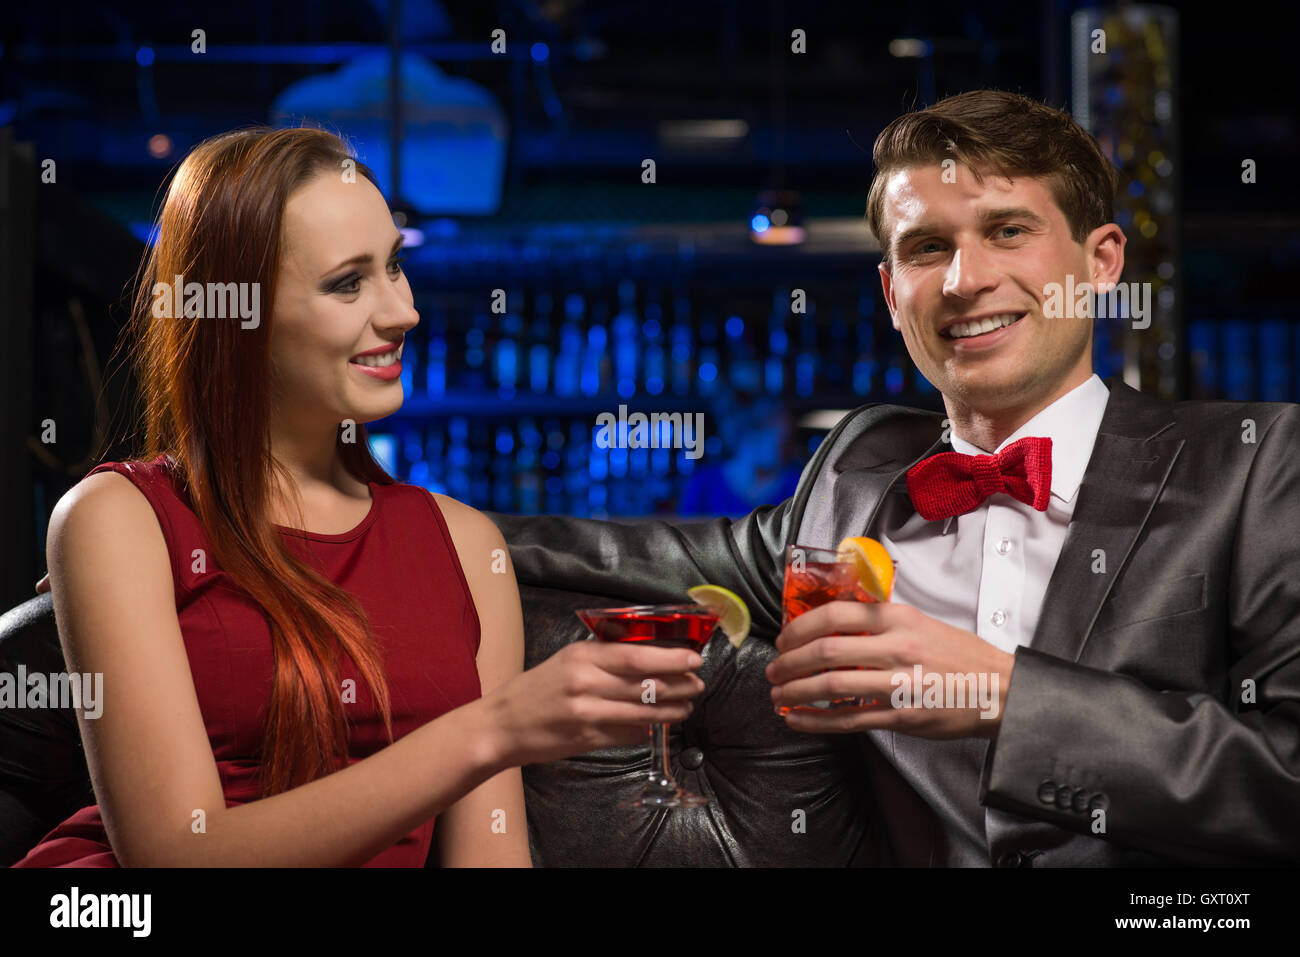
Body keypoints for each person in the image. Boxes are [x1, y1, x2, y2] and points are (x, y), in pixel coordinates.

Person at [492, 90, 1300, 866]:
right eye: (927, 248)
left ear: (1100, 262)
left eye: (1008, 230)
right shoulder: (855, 478)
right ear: (890, 291)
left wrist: (1001, 695)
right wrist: (404, 525)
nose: (963, 279)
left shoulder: (1257, 461)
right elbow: (617, 553)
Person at [14, 126, 703, 868]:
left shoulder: (467, 547)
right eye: (349, 282)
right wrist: (494, 729)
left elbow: (487, 858)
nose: (402, 311)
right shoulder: (117, 519)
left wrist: (496, 733)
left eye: (395, 266)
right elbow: (175, 853)